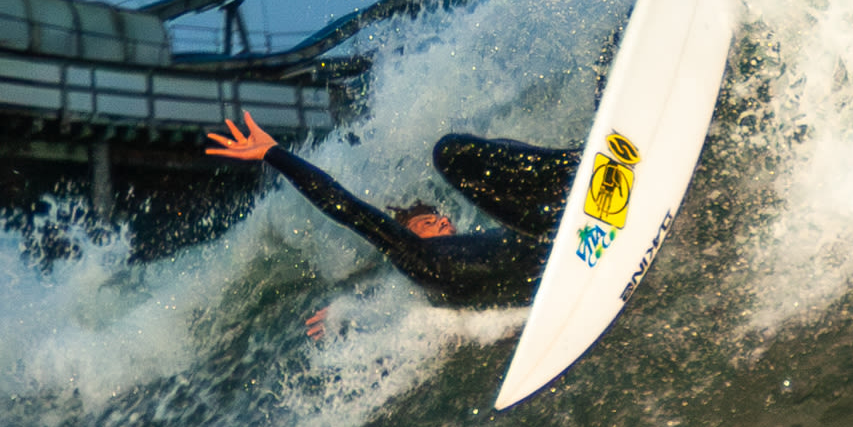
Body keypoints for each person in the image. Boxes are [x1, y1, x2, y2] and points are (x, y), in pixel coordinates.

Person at [204, 112, 576, 310]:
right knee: (448, 153)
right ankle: (580, 162)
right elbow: (345, 206)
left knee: (494, 160)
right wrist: (274, 154)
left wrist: (347, 315)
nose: (445, 220)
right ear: (409, 237)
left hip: (551, 229)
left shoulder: (463, 255)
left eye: (441, 218)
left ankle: (578, 161)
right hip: (552, 246)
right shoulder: (419, 259)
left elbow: (382, 305)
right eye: (429, 223)